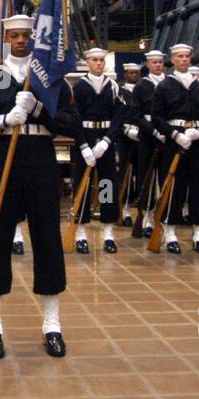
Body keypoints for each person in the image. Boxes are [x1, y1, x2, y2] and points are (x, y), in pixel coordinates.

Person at [0, 14, 80, 360]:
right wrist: (1, 120)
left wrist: (40, 108)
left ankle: (52, 324)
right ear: (5, 37)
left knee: (46, 238)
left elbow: (72, 123)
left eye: (27, 35)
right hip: (1, 160)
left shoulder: (50, 81)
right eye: (14, 35)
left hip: (40, 158)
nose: (22, 40)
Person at [152, 44, 199, 254]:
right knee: (173, 187)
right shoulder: (165, 86)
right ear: (173, 59)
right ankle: (170, 231)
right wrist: (174, 134)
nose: (184, 60)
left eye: (187, 56)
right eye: (180, 56)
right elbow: (157, 117)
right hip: (174, 141)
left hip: (197, 140)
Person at [70, 47, 123, 254]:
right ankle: (80, 232)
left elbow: (119, 115)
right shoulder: (79, 87)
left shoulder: (113, 87)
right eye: (94, 60)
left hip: (105, 142)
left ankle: (108, 231)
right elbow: (74, 117)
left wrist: (108, 140)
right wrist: (83, 145)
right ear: (87, 62)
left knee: (107, 184)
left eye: (101, 60)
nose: (99, 63)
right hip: (85, 139)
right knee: (81, 184)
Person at [131, 49, 169, 237]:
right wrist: (153, 130)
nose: (158, 65)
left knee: (165, 177)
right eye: (154, 62)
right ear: (147, 64)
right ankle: (145, 215)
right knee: (145, 177)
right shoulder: (141, 86)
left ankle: (162, 216)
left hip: (167, 135)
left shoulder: (170, 84)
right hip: (147, 136)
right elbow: (135, 114)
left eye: (160, 62)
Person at [117, 62, 143, 225]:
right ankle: (121, 209)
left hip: (141, 136)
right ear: (125, 74)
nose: (133, 76)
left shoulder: (143, 89)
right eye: (130, 73)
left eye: (136, 73)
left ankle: (141, 208)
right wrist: (126, 130)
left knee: (141, 173)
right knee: (122, 174)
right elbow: (118, 114)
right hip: (124, 137)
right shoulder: (120, 91)